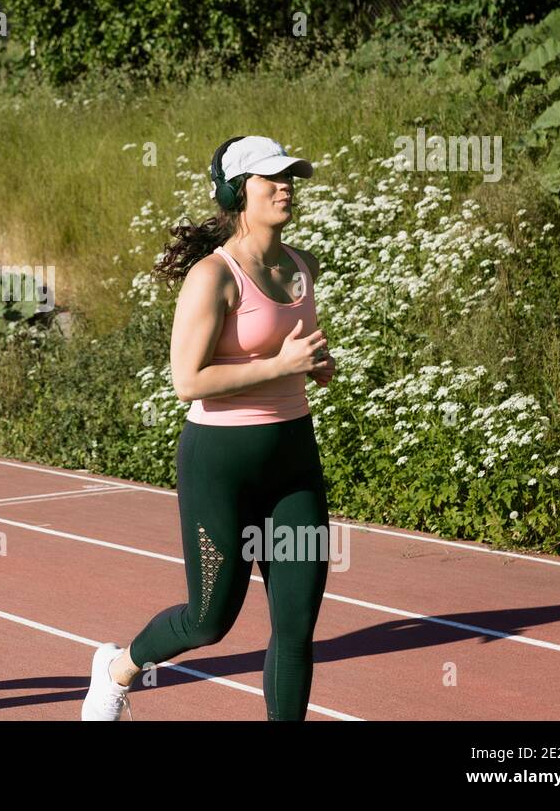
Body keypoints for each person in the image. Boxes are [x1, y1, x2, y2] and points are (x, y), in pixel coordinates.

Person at [81, 135, 336, 721]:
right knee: (208, 621)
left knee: (296, 627)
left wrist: (317, 366)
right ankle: (118, 669)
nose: (285, 186)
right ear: (236, 192)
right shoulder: (213, 276)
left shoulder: (301, 267)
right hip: (220, 463)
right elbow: (187, 381)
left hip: (294, 461)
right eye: (270, 178)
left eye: (290, 175)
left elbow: (301, 352)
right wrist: (280, 366)